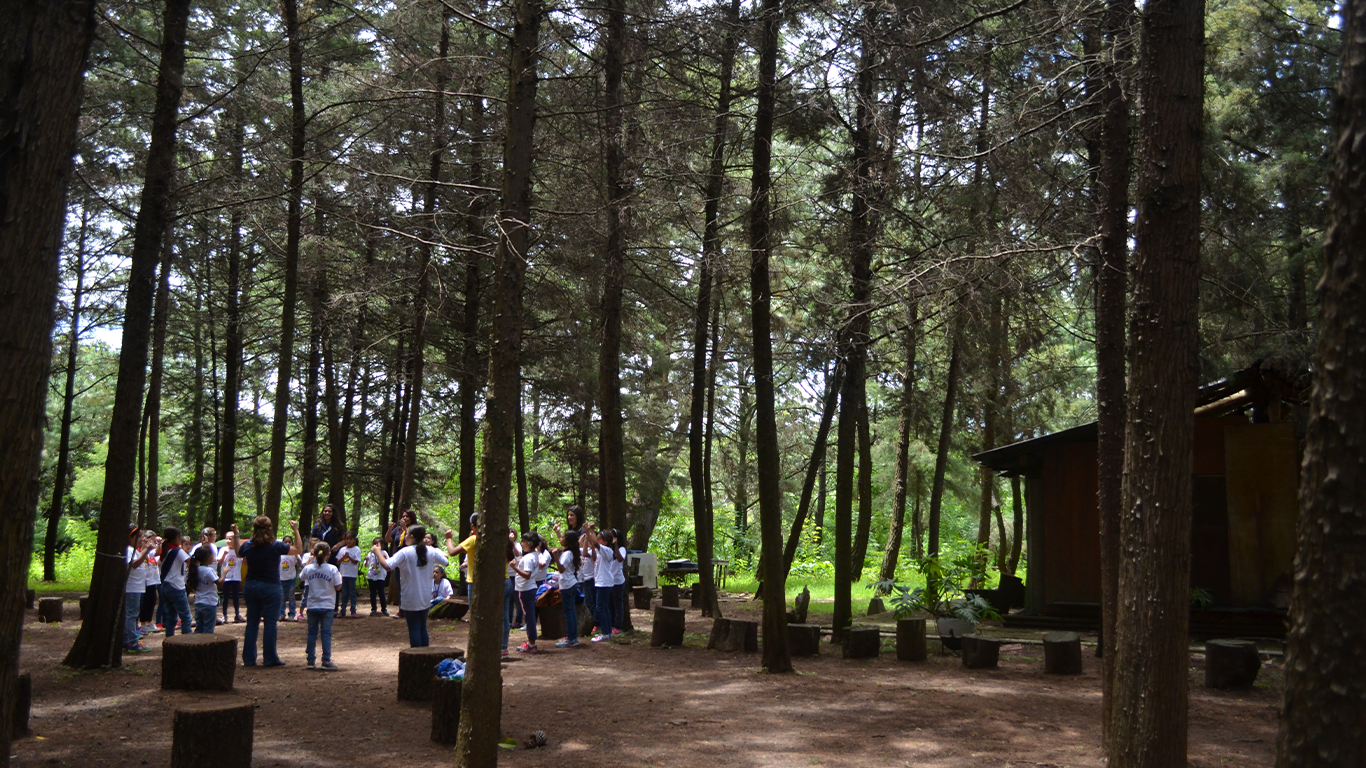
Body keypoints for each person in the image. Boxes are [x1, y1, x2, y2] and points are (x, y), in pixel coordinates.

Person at [238, 516, 302, 667]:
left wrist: (236, 535)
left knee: (252, 622)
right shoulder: (275, 545)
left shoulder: (247, 545)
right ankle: (270, 658)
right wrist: (296, 530)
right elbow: (298, 549)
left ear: (254, 528)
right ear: (270, 528)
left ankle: (249, 659)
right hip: (270, 586)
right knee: (270, 623)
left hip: (251, 586)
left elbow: (239, 553)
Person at [371, 525, 449, 647]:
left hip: (410, 596)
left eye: (406, 534)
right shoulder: (431, 551)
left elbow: (387, 565)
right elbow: (446, 562)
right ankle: (425, 654)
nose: (405, 537)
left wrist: (377, 552)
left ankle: (416, 654)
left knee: (414, 628)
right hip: (425, 595)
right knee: (422, 626)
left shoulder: (405, 552)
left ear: (411, 536)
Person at [300, 541, 342, 670]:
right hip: (327, 606)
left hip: (312, 605)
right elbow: (338, 586)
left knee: (312, 633)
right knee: (326, 633)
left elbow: (301, 577)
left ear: (313, 553)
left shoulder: (309, 568)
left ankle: (310, 660)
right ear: (328, 554)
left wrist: (309, 562)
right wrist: (340, 577)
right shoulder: (332, 569)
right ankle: (326, 660)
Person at [158, 527, 195, 638]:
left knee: (171, 617)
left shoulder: (164, 551)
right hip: (176, 586)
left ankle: (169, 640)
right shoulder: (177, 551)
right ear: (177, 538)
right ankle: (186, 641)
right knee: (186, 617)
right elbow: (190, 561)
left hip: (165, 585)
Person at [511, 532, 541, 654]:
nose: (522, 544)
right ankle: (530, 642)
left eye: (523, 542)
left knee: (529, 617)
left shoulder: (529, 558)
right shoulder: (533, 555)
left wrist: (514, 568)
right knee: (529, 616)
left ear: (530, 543)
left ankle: (532, 644)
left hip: (526, 589)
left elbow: (527, 575)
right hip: (528, 588)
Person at [590, 528, 620, 643]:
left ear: (605, 542)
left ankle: (605, 633)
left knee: (600, 608)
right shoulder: (601, 551)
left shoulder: (607, 550)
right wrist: (588, 531)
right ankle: (607, 632)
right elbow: (593, 542)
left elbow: (595, 543)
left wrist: (590, 529)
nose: (597, 541)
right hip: (602, 582)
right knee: (604, 608)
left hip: (604, 583)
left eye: (599, 540)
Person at [124, 524, 151, 653]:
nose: (142, 539)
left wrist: (145, 549)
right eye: (139, 536)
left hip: (137, 587)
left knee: (133, 615)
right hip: (132, 588)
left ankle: (127, 639)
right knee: (131, 615)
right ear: (131, 538)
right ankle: (132, 642)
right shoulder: (128, 550)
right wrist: (146, 551)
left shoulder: (134, 550)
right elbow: (133, 564)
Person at [554, 530, 582, 648]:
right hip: (571, 583)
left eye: (563, 537)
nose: (561, 538)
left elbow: (561, 569)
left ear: (568, 540)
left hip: (567, 585)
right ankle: (573, 636)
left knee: (568, 612)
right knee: (571, 611)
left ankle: (571, 638)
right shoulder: (571, 552)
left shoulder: (567, 554)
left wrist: (555, 557)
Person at [187, 545, 223, 634]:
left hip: (198, 602)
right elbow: (220, 583)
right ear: (208, 557)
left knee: (199, 628)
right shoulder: (208, 570)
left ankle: (196, 642)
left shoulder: (196, 569)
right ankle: (207, 643)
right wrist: (225, 573)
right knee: (208, 628)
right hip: (209, 603)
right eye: (213, 554)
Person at [218, 529, 244, 623]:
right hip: (226, 577)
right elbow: (219, 563)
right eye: (227, 538)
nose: (228, 541)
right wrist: (224, 555)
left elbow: (243, 561)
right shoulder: (223, 549)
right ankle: (224, 615)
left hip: (236, 577)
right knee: (226, 596)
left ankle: (237, 615)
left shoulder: (239, 550)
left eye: (230, 538)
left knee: (236, 597)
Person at [335, 531, 362, 618]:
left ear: (354, 540)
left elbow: (356, 561)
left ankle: (353, 610)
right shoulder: (342, 549)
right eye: (347, 539)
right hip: (343, 574)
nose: (348, 541)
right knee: (344, 593)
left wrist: (349, 557)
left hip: (352, 575)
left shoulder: (356, 549)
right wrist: (343, 557)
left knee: (352, 593)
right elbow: (337, 561)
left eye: (350, 539)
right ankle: (342, 610)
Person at [138, 530, 160, 635]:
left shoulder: (151, 551)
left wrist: (158, 544)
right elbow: (143, 555)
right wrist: (145, 546)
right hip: (144, 581)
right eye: (151, 540)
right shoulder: (141, 551)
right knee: (145, 602)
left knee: (152, 601)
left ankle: (149, 622)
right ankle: (143, 623)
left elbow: (157, 552)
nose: (152, 543)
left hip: (153, 580)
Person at [278, 535, 300, 621]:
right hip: (281, 578)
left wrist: (296, 556)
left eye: (289, 542)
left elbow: (300, 563)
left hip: (291, 578)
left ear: (292, 543)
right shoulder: (279, 553)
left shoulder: (294, 553)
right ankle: (281, 613)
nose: (287, 543)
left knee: (291, 597)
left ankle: (292, 613)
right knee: (281, 597)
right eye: (285, 542)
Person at [365, 537, 388, 616]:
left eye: (378, 544)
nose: (376, 546)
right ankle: (373, 609)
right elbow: (366, 565)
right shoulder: (370, 554)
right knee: (372, 593)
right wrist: (366, 560)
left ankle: (384, 608)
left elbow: (388, 562)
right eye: (374, 544)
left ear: (382, 545)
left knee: (381, 593)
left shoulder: (384, 553)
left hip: (380, 576)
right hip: (371, 576)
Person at [611, 528, 627, 634]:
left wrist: (616, 545)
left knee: (618, 604)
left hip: (617, 580)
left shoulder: (622, 549)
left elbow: (620, 558)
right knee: (610, 604)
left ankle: (618, 626)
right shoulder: (608, 549)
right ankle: (611, 624)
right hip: (609, 580)